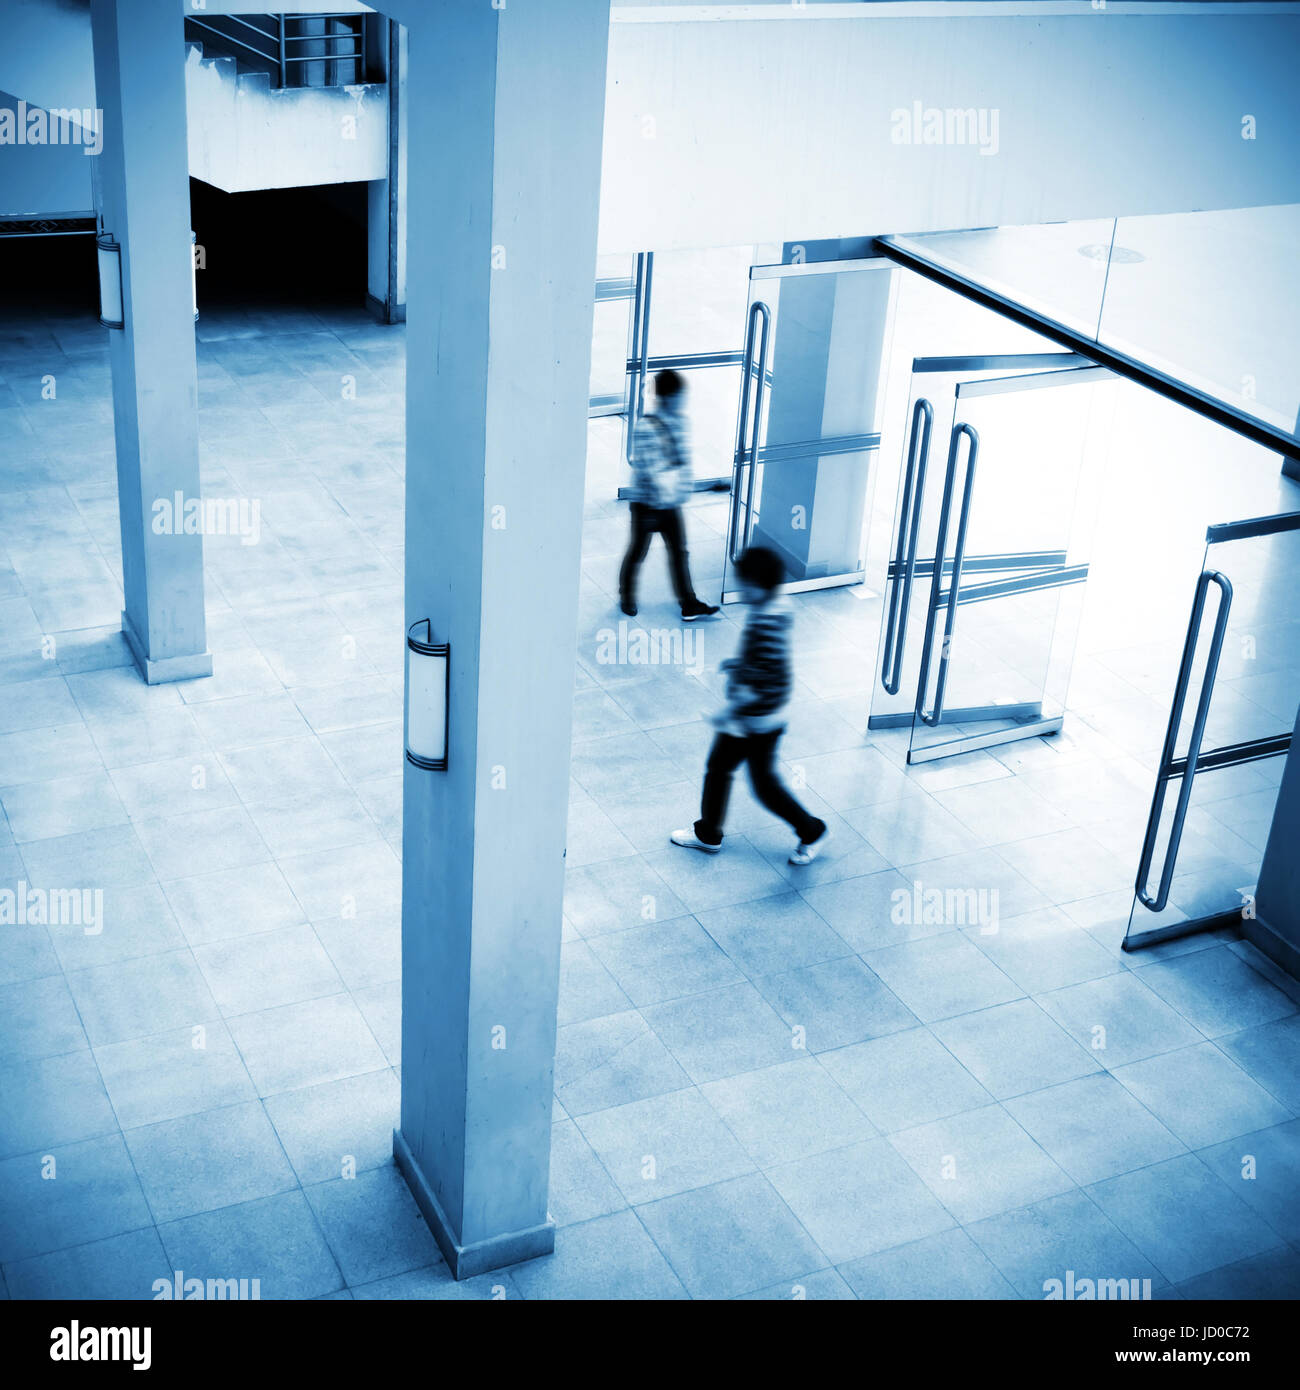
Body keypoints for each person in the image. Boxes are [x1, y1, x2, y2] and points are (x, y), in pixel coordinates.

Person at [671, 545, 829, 865]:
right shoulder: (773, 609)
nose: (740, 589)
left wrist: (728, 712)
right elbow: (765, 665)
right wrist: (738, 666)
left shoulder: (765, 623)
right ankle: (709, 832)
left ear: (758, 586)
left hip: (756, 719)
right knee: (727, 771)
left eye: (744, 584)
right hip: (760, 715)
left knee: (760, 784)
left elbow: (764, 679)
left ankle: (811, 830)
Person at [618, 369, 719, 621]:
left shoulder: (682, 423)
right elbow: (649, 469)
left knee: (679, 553)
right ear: (668, 397)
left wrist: (680, 491)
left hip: (670, 504)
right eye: (679, 395)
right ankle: (626, 596)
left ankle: (689, 602)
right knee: (638, 551)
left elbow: (683, 463)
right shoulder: (646, 427)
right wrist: (669, 493)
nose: (682, 400)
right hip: (647, 504)